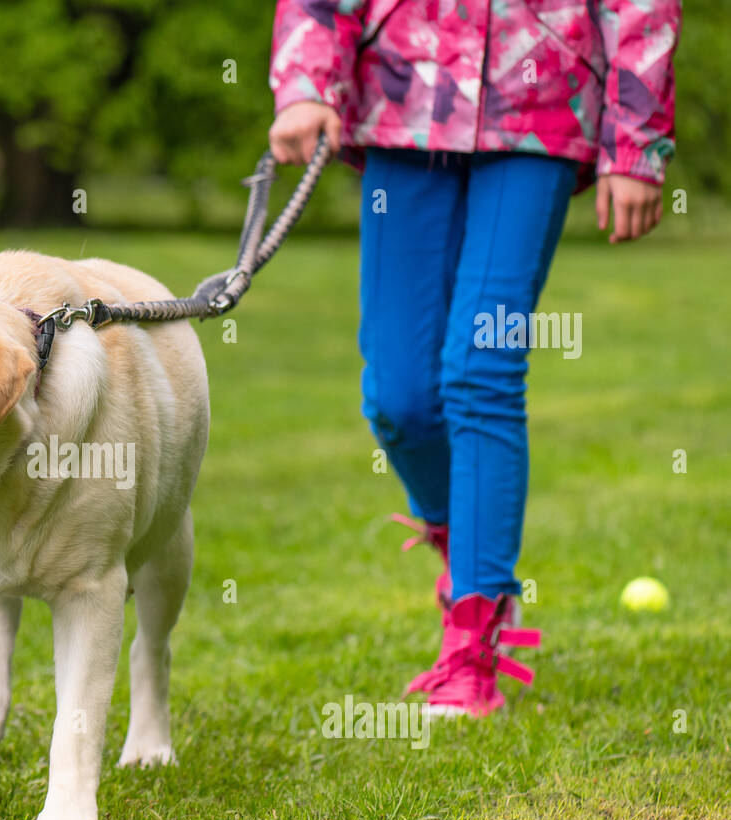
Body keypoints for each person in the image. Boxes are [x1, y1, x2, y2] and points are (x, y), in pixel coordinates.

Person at [267, 1, 680, 716]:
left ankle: (475, 639)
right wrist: (305, 84)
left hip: (541, 106)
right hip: (405, 95)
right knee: (398, 398)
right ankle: (465, 542)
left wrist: (637, 143)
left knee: (481, 370)